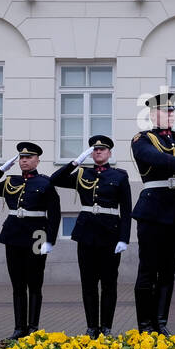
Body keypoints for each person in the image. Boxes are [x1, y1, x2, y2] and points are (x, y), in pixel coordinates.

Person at [130, 92, 175, 334]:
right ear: (153, 115)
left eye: (173, 111)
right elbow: (154, 158)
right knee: (148, 269)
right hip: (153, 210)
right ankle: (145, 326)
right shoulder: (142, 139)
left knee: (168, 271)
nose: (171, 115)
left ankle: (161, 323)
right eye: (165, 111)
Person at [50, 134, 132, 337]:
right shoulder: (81, 174)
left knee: (109, 283)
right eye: (94, 150)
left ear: (109, 153)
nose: (98, 152)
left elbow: (127, 210)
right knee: (88, 283)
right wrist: (76, 161)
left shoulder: (120, 176)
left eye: (102, 149)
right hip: (87, 234)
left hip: (110, 234)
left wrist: (124, 238)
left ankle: (106, 326)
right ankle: (91, 326)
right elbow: (55, 179)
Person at [0, 142, 62, 338]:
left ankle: (33, 328)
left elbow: (54, 215)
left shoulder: (45, 183)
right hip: (13, 235)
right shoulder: (11, 181)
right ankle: (19, 328)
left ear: (37, 160)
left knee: (34, 283)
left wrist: (50, 241)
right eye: (21, 158)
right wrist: (3, 168)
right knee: (17, 285)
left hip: (37, 236)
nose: (24, 160)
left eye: (29, 157)